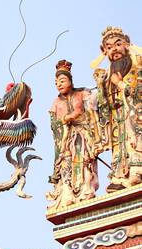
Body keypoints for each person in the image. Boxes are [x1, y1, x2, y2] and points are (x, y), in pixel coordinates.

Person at [94, 27, 142, 192]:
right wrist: (101, 86)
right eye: (108, 47)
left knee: (134, 138)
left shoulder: (136, 63)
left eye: (117, 44)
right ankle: (119, 175)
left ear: (127, 44)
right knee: (119, 144)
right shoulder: (108, 73)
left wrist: (122, 85)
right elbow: (103, 106)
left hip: (135, 113)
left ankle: (137, 170)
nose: (114, 50)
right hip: (117, 116)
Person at [48, 60, 100, 209]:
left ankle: (85, 190)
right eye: (56, 82)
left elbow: (83, 110)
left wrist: (70, 117)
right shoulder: (56, 102)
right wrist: (62, 124)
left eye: (62, 80)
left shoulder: (80, 94)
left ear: (70, 81)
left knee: (83, 161)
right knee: (66, 163)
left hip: (82, 135)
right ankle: (67, 193)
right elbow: (54, 123)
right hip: (65, 139)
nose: (59, 84)